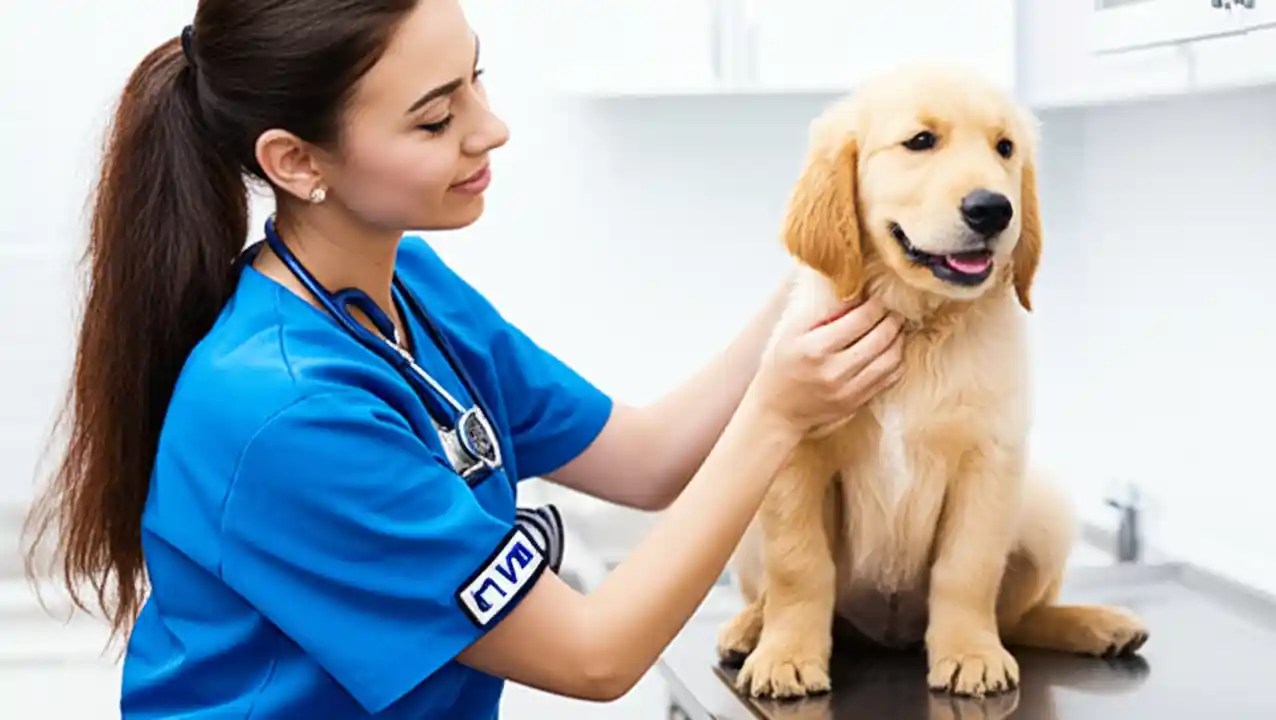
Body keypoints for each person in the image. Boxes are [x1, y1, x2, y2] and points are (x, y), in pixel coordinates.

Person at [23, 0, 904, 717]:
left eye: (476, 79)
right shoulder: (286, 414)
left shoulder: (409, 286)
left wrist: (825, 263)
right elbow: (594, 659)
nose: (492, 129)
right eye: (437, 117)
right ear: (295, 162)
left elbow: (647, 461)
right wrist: (783, 412)